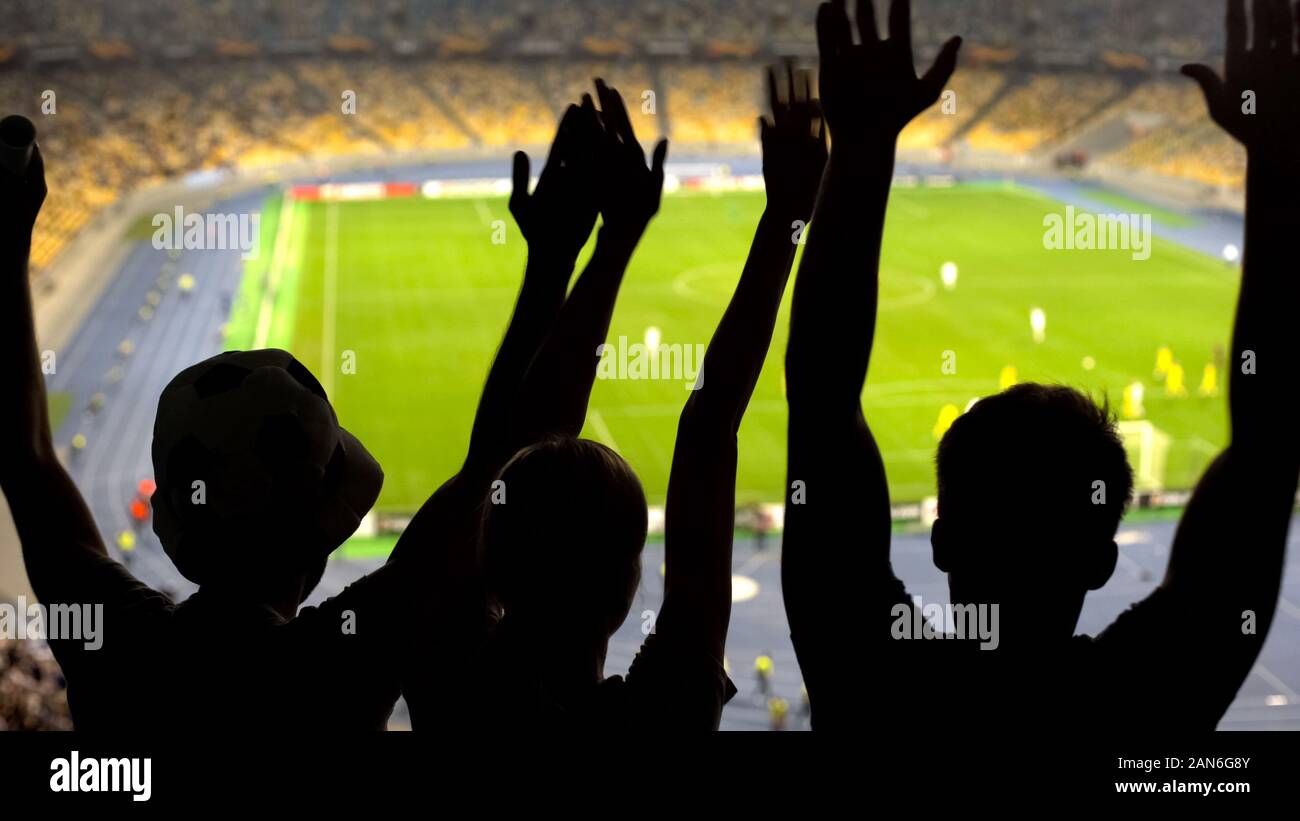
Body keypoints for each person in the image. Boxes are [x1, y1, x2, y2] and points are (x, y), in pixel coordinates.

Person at [781, 0, 1298, 733]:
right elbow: (1270, 453)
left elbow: (821, 396)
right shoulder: (1146, 703)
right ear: (1102, 562)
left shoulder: (869, 676)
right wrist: (1278, 159)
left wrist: (862, 147)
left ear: (941, 541)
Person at [399, 68, 825, 730]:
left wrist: (569, 257)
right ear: (628, 590)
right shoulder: (663, 715)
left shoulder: (439, 674)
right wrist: (788, 215)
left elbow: (501, 455)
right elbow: (708, 431)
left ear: (487, 549)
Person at [0, 144, 426, 731]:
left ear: (173, 519)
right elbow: (491, 473)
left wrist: (8, 244)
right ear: (325, 531)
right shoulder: (336, 676)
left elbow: (26, 459)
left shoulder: (113, 643)